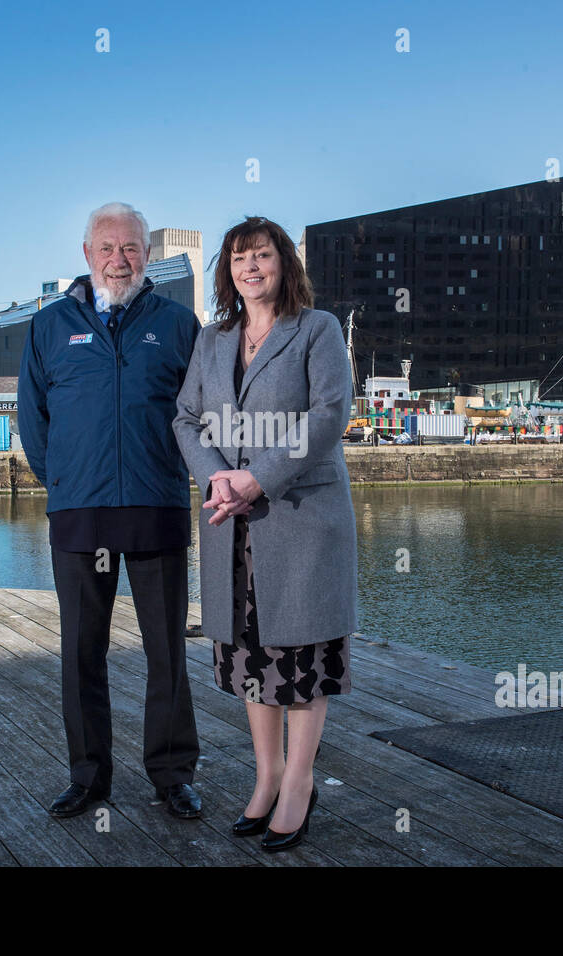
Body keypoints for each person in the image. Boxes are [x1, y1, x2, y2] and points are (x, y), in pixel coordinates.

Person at [173, 216, 357, 852]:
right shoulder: (213, 338)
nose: (250, 268)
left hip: (301, 520)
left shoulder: (318, 330)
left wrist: (258, 479)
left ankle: (300, 783)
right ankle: (267, 775)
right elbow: (187, 418)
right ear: (228, 271)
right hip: (231, 522)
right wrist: (218, 478)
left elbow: (328, 417)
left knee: (301, 654)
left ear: (284, 263)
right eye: (238, 258)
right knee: (252, 653)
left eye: (262, 255)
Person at [18, 202, 203, 820]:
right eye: (107, 248)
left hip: (157, 506)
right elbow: (32, 419)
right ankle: (89, 775)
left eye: (130, 248)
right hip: (80, 514)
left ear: (146, 255)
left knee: (166, 652)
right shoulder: (48, 327)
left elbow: (200, 413)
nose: (118, 259)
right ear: (87, 254)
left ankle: (172, 774)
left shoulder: (179, 325)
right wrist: (64, 479)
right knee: (81, 652)